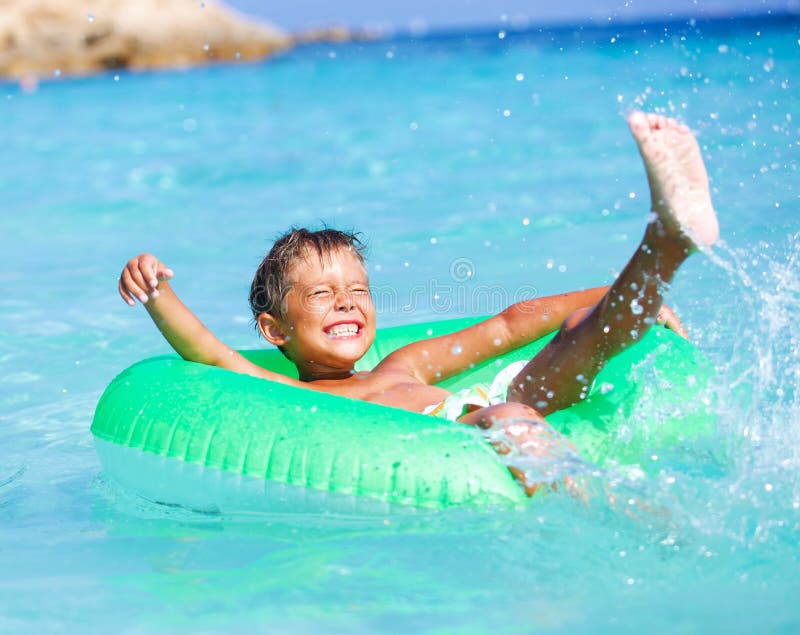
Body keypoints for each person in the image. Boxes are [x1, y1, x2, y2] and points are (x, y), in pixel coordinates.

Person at [118, 112, 718, 495]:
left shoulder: (398, 365)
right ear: (273, 329)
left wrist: (609, 294)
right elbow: (210, 354)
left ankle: (664, 245)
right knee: (510, 418)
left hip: (481, 406)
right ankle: (617, 510)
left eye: (358, 292)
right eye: (322, 296)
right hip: (468, 429)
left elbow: (509, 324)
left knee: (580, 331)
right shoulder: (290, 396)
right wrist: (156, 290)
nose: (347, 305)